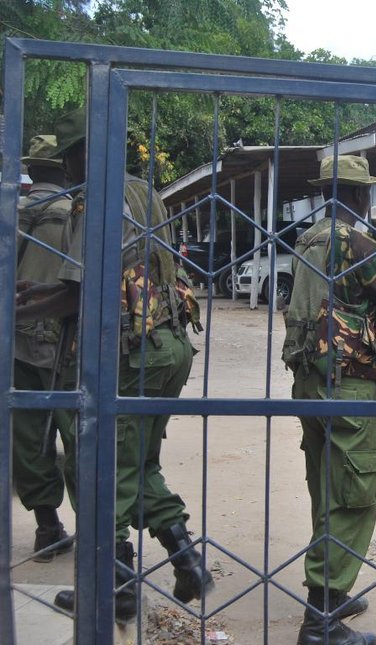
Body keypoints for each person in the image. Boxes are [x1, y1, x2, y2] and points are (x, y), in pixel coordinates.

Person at [16, 108, 213, 622]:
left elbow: (85, 292)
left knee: (94, 468)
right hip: (168, 345)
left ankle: (113, 588)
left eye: (67, 158)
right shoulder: (140, 188)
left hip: (129, 353)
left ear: (81, 152)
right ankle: (185, 558)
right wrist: (39, 293)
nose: (67, 169)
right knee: (137, 463)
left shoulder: (96, 197)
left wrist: (24, 306)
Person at [282, 155, 376, 645]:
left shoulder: (306, 239)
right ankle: (320, 623)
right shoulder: (357, 242)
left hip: (308, 382)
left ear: (322, 194)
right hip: (350, 384)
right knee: (353, 497)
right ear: (359, 196)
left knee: (325, 487)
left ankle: (332, 596)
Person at [13, 134, 76, 563]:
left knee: (29, 436)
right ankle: (103, 537)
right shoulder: (80, 211)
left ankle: (46, 528)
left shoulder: (11, 212)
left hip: (16, 338)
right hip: (69, 339)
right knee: (80, 436)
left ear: (32, 170)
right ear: (64, 169)